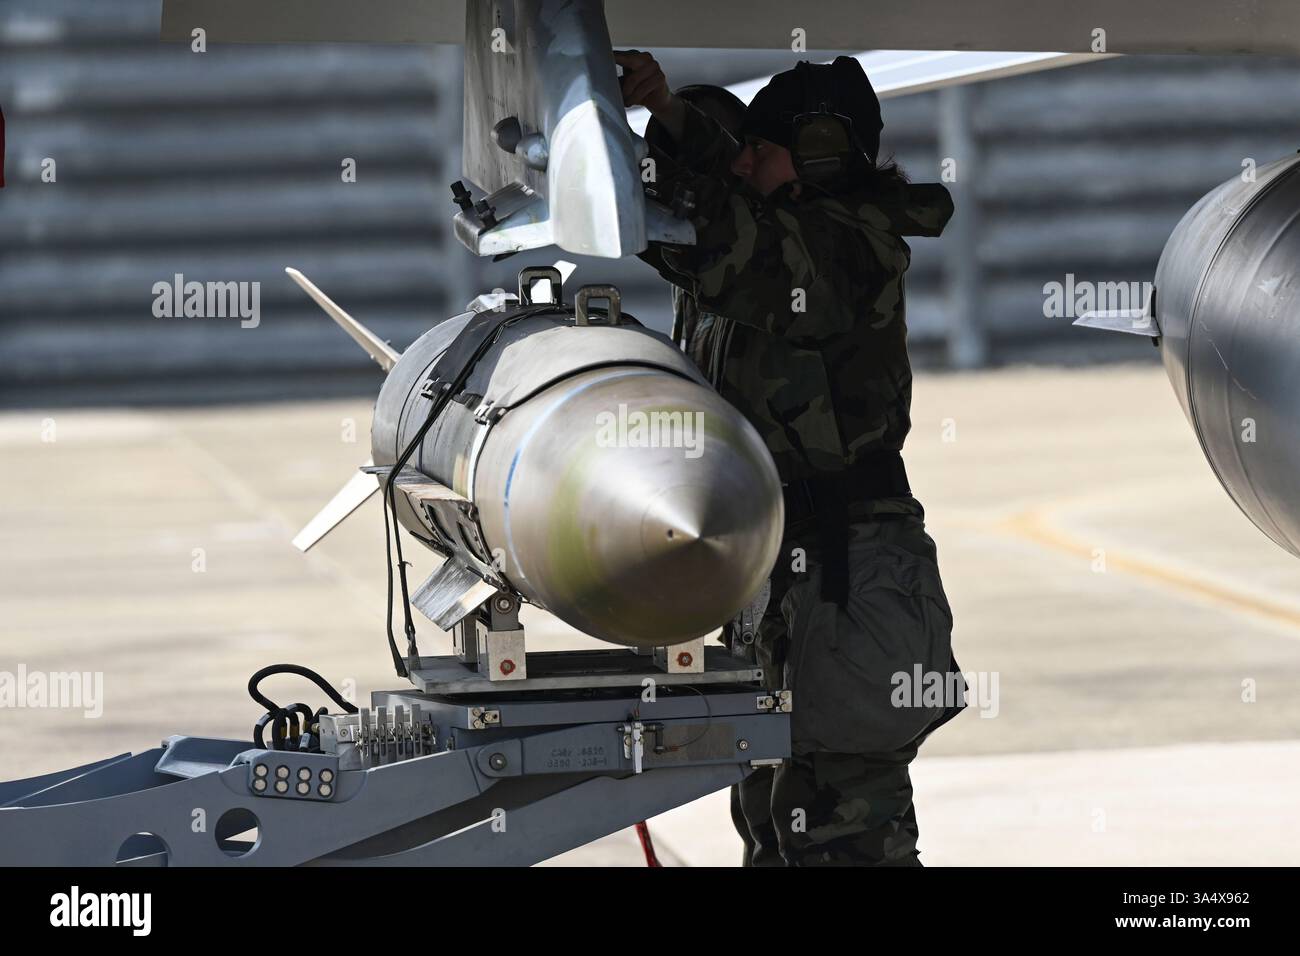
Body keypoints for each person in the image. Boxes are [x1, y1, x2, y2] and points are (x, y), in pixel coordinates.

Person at [617, 50, 966, 866]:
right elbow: (708, 223)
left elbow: (728, 246)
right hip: (779, 573)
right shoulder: (781, 238)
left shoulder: (848, 248)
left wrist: (657, 133)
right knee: (774, 824)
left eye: (760, 149)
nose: (742, 161)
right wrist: (664, 118)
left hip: (848, 577)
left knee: (846, 831)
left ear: (816, 155)